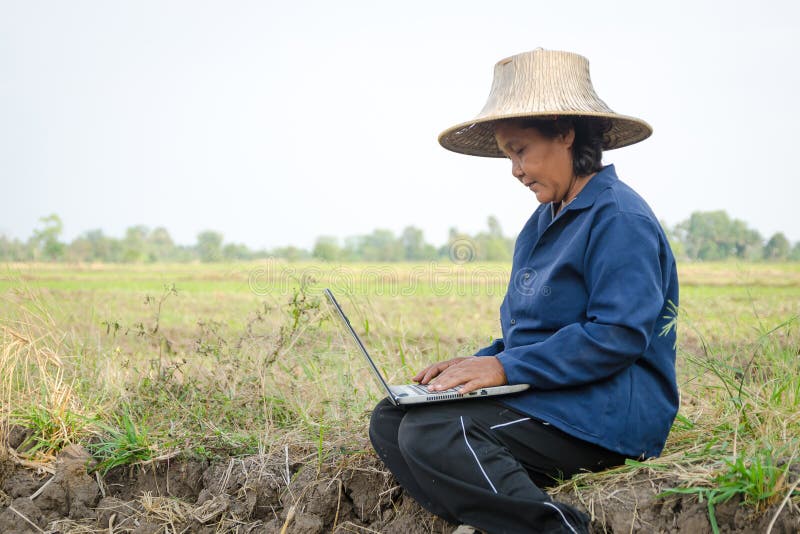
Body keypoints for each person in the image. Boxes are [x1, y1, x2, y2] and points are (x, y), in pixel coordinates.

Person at [368, 49, 679, 534]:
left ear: (564, 131)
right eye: (509, 155)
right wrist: (473, 364)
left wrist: (503, 367)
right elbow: (531, 335)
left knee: (437, 430)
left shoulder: (618, 217)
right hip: (555, 396)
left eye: (520, 150)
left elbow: (617, 335)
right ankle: (493, 520)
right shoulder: (540, 224)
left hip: (607, 412)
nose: (515, 169)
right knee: (391, 419)